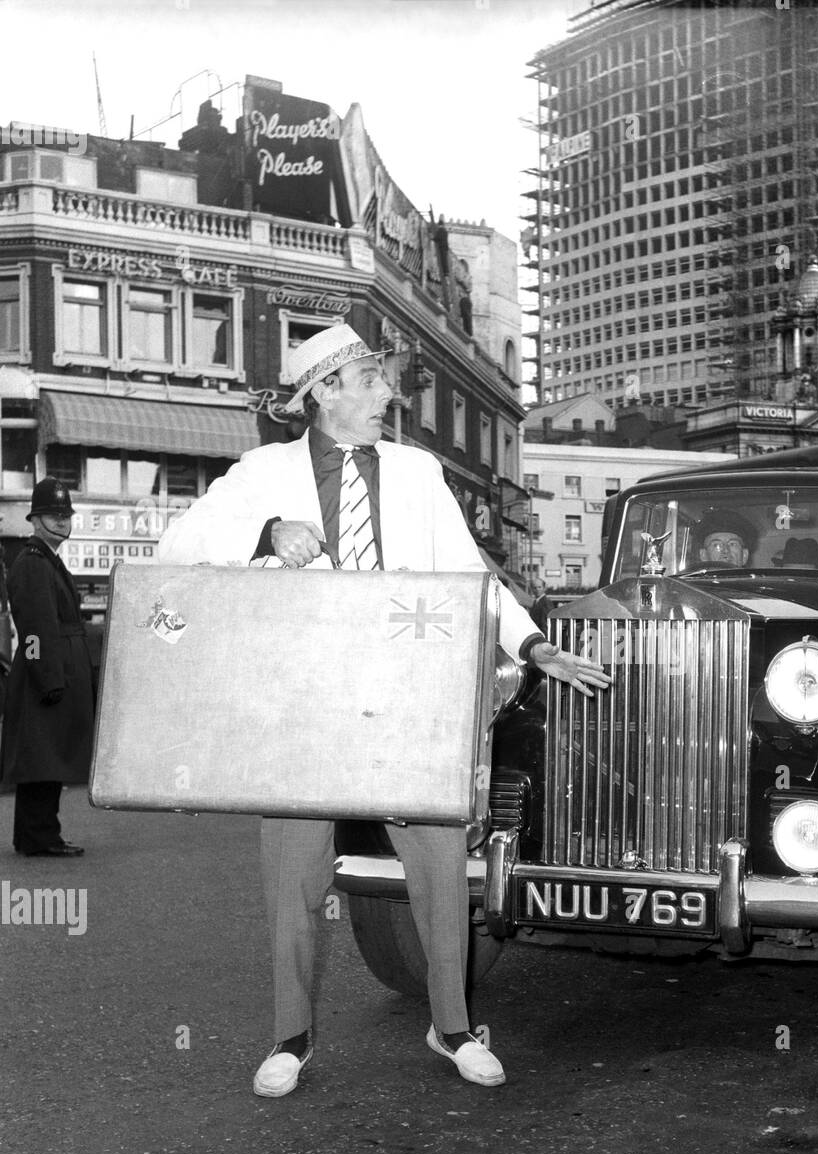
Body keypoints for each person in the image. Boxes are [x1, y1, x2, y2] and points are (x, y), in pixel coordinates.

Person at [157, 324, 610, 1095]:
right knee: (294, 872)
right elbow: (176, 546)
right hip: (300, 700)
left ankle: (453, 1026)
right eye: (370, 381)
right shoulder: (263, 472)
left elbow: (470, 575)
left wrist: (534, 649)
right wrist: (264, 532)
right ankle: (290, 1038)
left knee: (438, 861)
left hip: (406, 696)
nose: (387, 395)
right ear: (322, 392)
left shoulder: (415, 471)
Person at [0, 479, 94, 856]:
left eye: (65, 515)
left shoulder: (46, 561)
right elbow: (34, 630)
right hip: (47, 676)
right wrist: (47, 677)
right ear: (35, 519)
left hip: (55, 672)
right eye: (52, 516)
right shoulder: (33, 563)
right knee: (42, 760)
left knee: (47, 758)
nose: (61, 521)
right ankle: (39, 837)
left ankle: (38, 835)